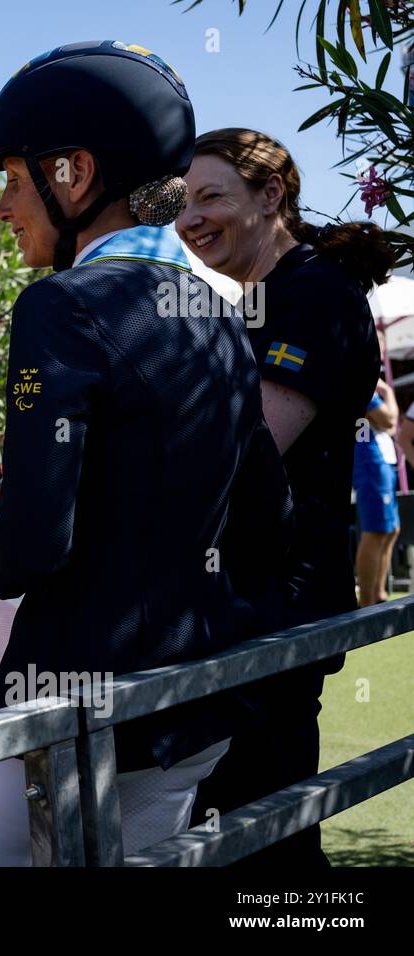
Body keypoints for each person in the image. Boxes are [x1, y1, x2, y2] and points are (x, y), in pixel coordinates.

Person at [0, 42, 293, 866]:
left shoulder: (59, 305)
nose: (1, 209)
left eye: (14, 181)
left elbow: (31, 549)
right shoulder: (220, 311)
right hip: (192, 697)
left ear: (74, 175)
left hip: (69, 699)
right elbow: (269, 513)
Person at [178, 127, 392, 867]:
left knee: (266, 834)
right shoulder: (255, 299)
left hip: (280, 605)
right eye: (183, 202)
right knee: (239, 828)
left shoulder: (313, 294)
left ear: (272, 196)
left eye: (212, 196)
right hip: (241, 603)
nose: (191, 218)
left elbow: (248, 452)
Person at [354, 377, 400, 607]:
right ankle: (366, 602)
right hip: (371, 461)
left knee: (391, 530)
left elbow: (390, 424)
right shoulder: (362, 381)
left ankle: (379, 594)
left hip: (382, 459)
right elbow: (389, 419)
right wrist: (387, 391)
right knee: (375, 531)